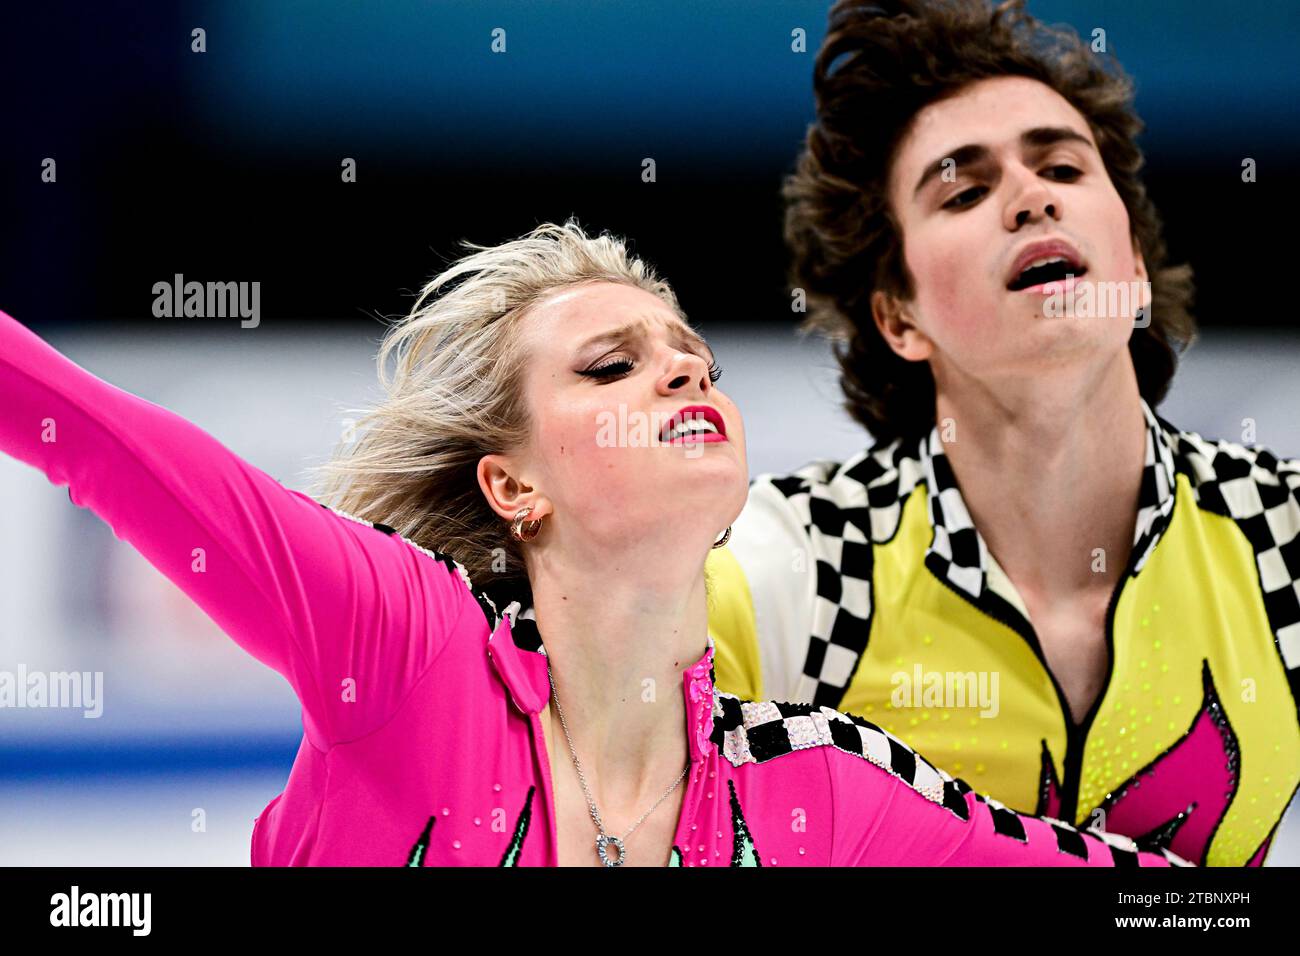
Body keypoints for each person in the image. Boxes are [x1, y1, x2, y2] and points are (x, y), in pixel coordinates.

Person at [0, 222, 1185, 867]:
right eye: (611, 364)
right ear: (513, 483)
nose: (682, 368)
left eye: (693, 358)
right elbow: (99, 435)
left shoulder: (810, 789)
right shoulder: (407, 649)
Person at [704, 0, 1300, 866]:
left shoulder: (1281, 537)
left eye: (1061, 165)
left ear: (1131, 263)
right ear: (899, 316)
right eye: (965, 189)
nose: (1030, 199)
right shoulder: (788, 574)